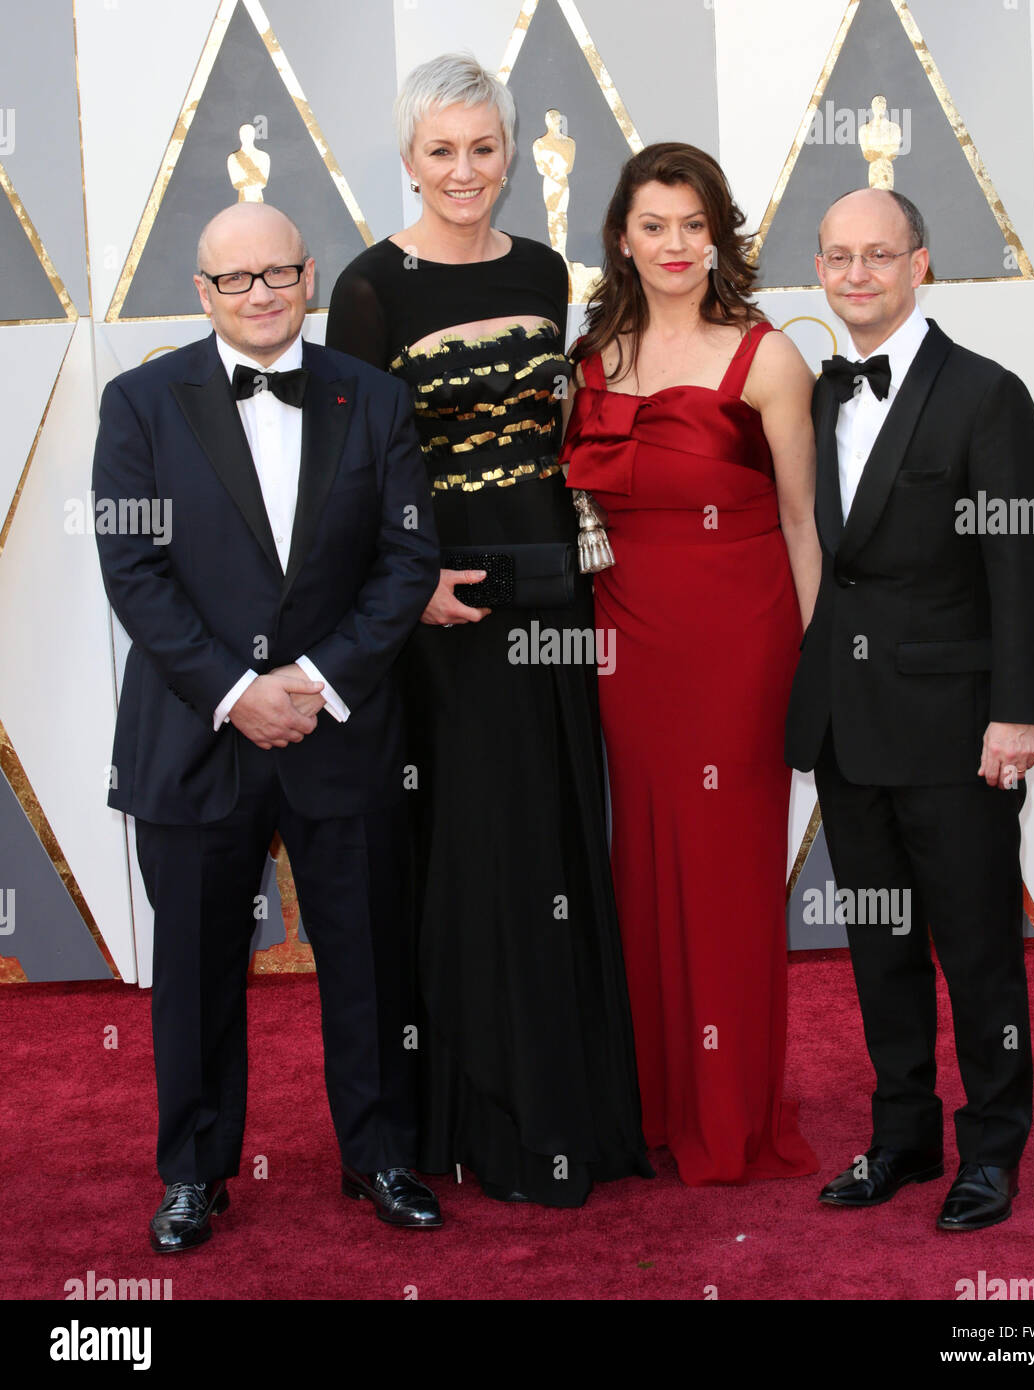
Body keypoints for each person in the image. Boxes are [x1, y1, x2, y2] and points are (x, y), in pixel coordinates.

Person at [326, 53, 650, 1207]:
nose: (464, 171)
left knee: (560, 840)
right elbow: (352, 471)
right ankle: (479, 1127)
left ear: (512, 156)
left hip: (551, 596)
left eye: (483, 148)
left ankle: (575, 1112)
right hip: (443, 610)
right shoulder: (371, 288)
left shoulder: (546, 270)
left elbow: (561, 446)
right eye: (440, 151)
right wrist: (406, 587)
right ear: (408, 160)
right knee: (476, 856)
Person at [92, 202, 444, 1249]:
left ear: (309, 276)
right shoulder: (139, 402)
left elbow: (405, 560)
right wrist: (236, 692)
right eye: (234, 279)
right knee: (196, 970)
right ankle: (195, 1173)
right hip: (197, 737)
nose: (259, 294)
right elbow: (133, 570)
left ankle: (381, 1155)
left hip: (343, 725)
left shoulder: (376, 399)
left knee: (371, 959)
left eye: (277, 274)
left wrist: (317, 679)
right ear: (201, 292)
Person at [785, 188, 1034, 1230]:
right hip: (849, 725)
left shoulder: (988, 395)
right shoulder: (815, 393)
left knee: (978, 948)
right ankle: (902, 1134)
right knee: (879, 943)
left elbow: (1021, 561)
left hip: (955, 728)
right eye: (839, 256)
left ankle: (993, 1148)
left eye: (878, 256)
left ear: (921, 264)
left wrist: (1017, 711)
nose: (856, 274)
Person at [560, 143, 822, 1186]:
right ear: (622, 238)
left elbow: (805, 526)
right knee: (643, 871)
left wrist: (820, 673)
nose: (674, 245)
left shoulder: (765, 358)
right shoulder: (587, 359)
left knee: (724, 878)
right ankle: (658, 1107)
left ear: (720, 236)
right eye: (654, 224)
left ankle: (730, 1118)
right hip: (626, 648)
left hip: (739, 644)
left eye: (693, 225)